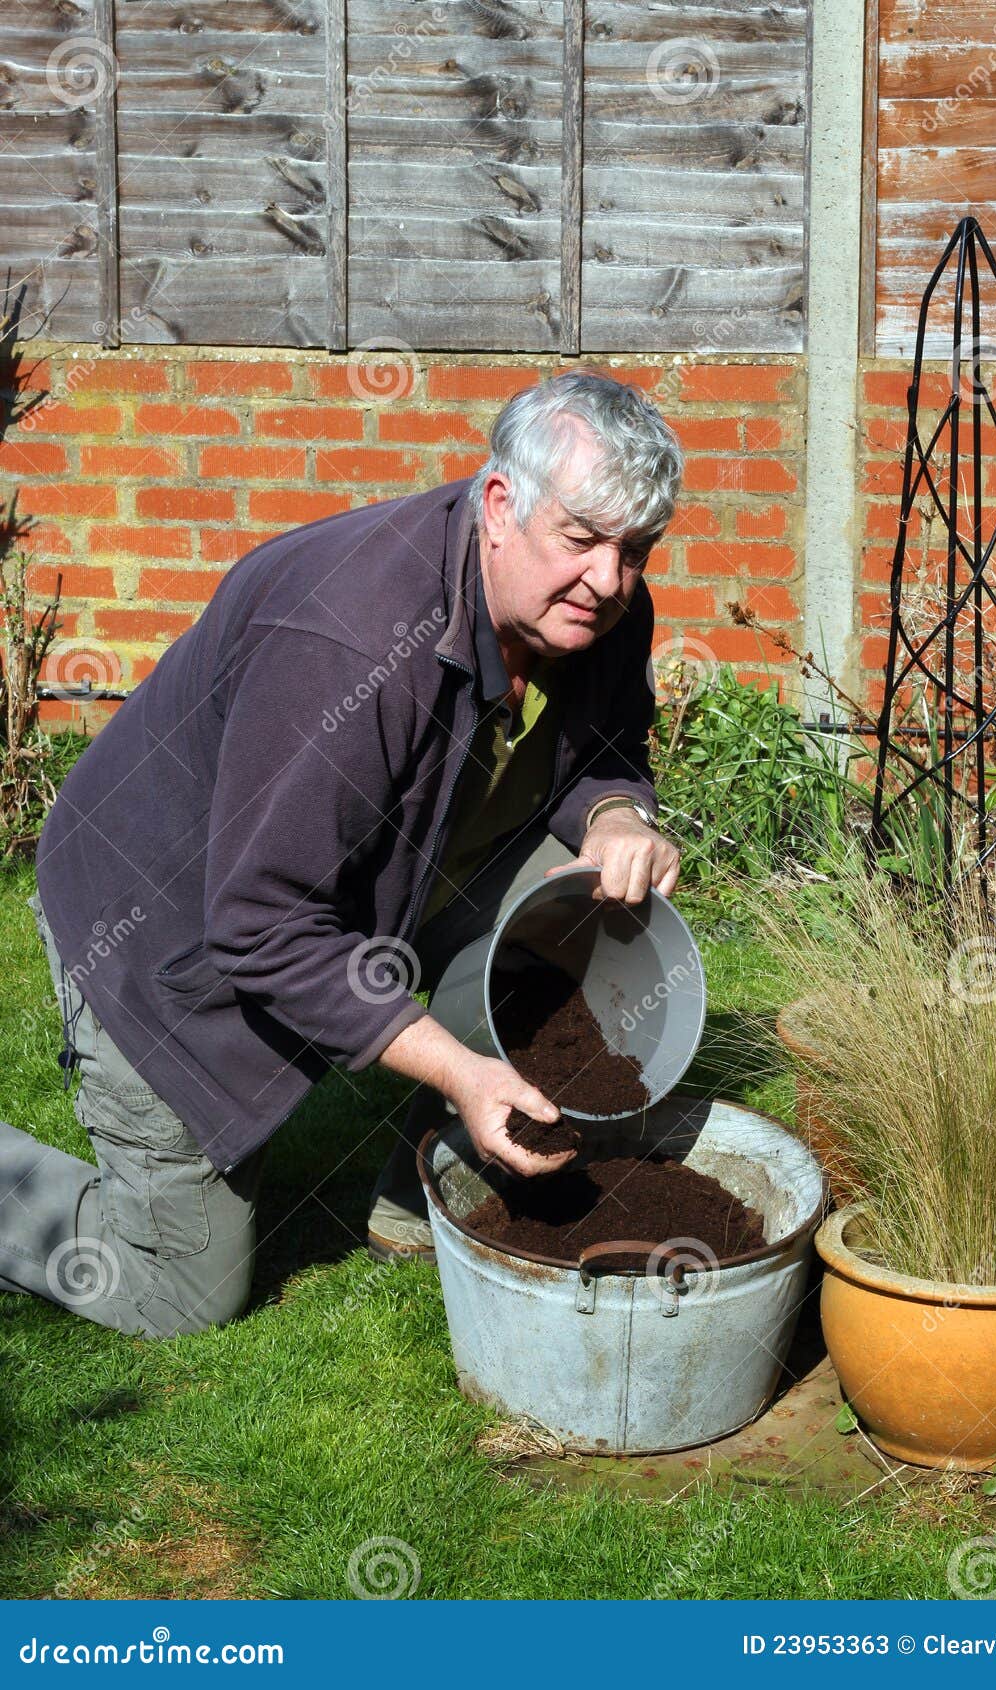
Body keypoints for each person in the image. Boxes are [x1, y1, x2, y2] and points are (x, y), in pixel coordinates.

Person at [0, 370, 683, 1337]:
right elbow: (257, 921)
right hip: (163, 923)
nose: (610, 581)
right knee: (175, 1293)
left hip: (362, 877)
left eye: (636, 551)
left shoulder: (590, 604)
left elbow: (607, 745)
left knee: (579, 903)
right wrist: (458, 1069)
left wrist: (615, 816)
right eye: (579, 542)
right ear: (500, 505)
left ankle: (425, 1183)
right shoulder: (350, 640)